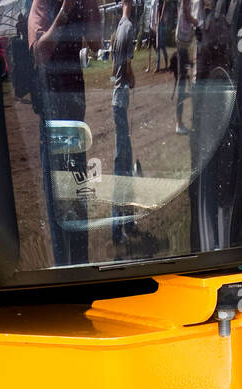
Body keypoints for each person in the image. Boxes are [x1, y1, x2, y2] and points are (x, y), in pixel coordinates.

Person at [29, 0, 100, 266]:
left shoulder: (81, 5)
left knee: (78, 191)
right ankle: (62, 267)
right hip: (51, 113)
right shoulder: (41, 5)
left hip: (74, 111)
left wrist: (89, 9)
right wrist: (64, 13)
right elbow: (39, 53)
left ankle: (81, 265)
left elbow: (95, 44)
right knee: (58, 196)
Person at [110, 0, 136, 244]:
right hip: (122, 96)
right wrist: (133, 77)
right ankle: (117, 230)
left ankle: (125, 224)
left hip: (116, 97)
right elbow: (126, 68)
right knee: (121, 163)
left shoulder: (118, 27)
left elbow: (113, 65)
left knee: (124, 161)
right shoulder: (128, 27)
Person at [174, 0, 196, 134]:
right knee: (182, 80)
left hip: (182, 40)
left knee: (184, 75)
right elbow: (188, 15)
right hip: (183, 40)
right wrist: (197, 22)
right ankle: (179, 123)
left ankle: (181, 122)